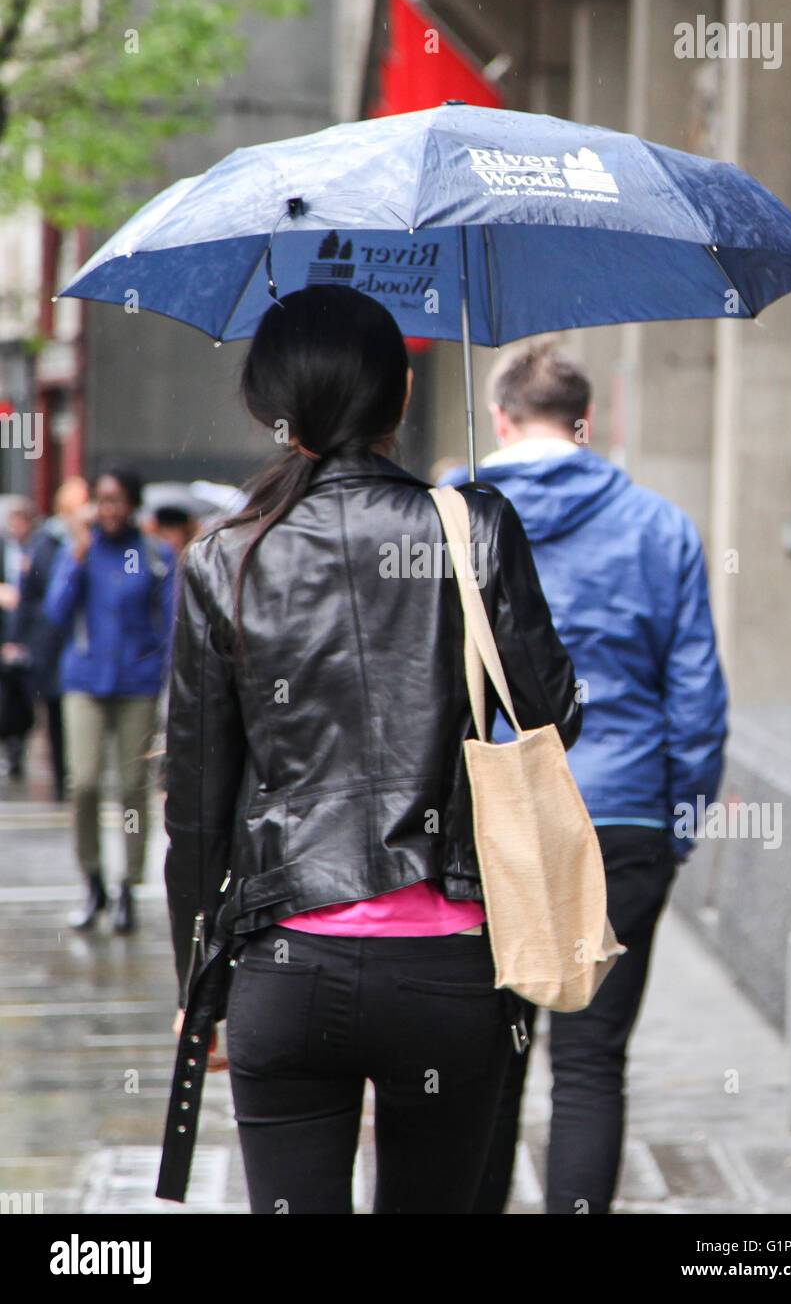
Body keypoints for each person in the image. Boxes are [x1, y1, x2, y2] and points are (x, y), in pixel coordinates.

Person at [159, 285, 581, 1215]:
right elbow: (553, 718)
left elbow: (193, 802)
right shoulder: (471, 526)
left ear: (272, 410)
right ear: (399, 396)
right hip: (446, 970)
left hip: (282, 965)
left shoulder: (222, 559)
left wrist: (197, 980)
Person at [440, 338, 728, 1215]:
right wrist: (667, 830)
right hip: (625, 815)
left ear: (499, 418)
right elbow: (699, 703)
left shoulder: (451, 517)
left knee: (488, 1066)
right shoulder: (661, 525)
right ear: (587, 422)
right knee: (594, 1064)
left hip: (498, 822)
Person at [43, 468, 176, 932]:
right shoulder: (80, 549)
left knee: (132, 788)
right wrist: (77, 560)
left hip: (136, 683)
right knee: (84, 784)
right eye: (102, 500)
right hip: (84, 680)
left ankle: (127, 886)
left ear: (133, 504)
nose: (109, 509)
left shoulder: (153, 553)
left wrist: (162, 668)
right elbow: (55, 612)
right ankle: (93, 878)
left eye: (117, 500)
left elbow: (173, 620)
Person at [6, 478, 90, 800]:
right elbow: (31, 597)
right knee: (54, 711)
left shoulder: (96, 543)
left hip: (80, 643)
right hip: (49, 642)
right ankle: (61, 779)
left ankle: (75, 774)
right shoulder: (47, 543)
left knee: (74, 712)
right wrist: (16, 638)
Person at [0, 497, 38, 779]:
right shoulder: (4, 549)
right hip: (4, 628)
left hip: (26, 633)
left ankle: (17, 746)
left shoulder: (39, 549)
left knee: (23, 699)